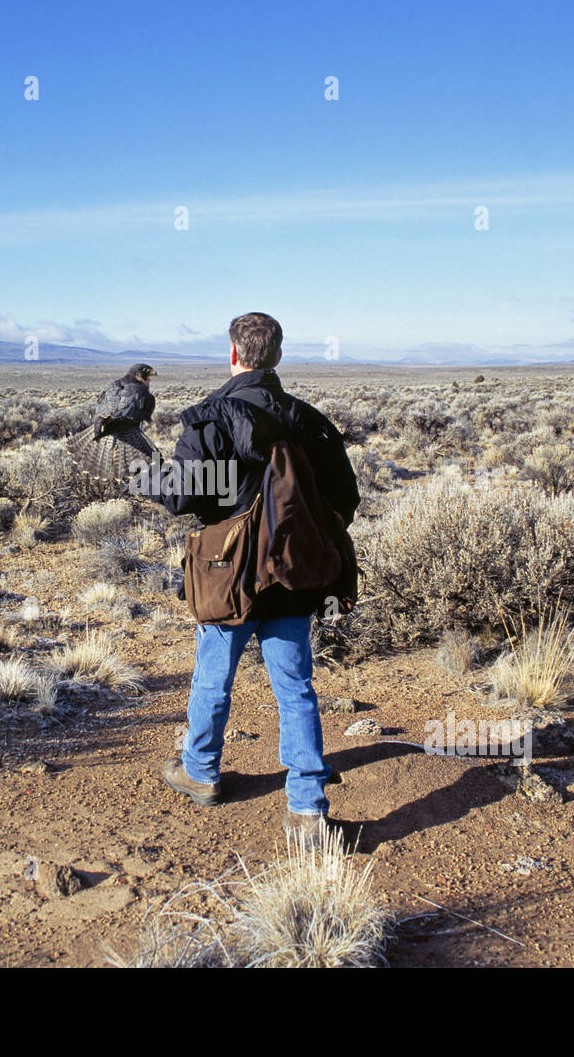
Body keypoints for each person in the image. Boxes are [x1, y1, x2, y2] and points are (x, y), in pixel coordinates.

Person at [146, 312, 360, 843]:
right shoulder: (308, 422)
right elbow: (345, 498)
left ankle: (201, 772)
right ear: (279, 356)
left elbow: (181, 496)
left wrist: (143, 464)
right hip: (291, 576)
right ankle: (307, 807)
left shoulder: (208, 420)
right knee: (295, 685)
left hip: (226, 575)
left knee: (213, 676)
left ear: (234, 354)